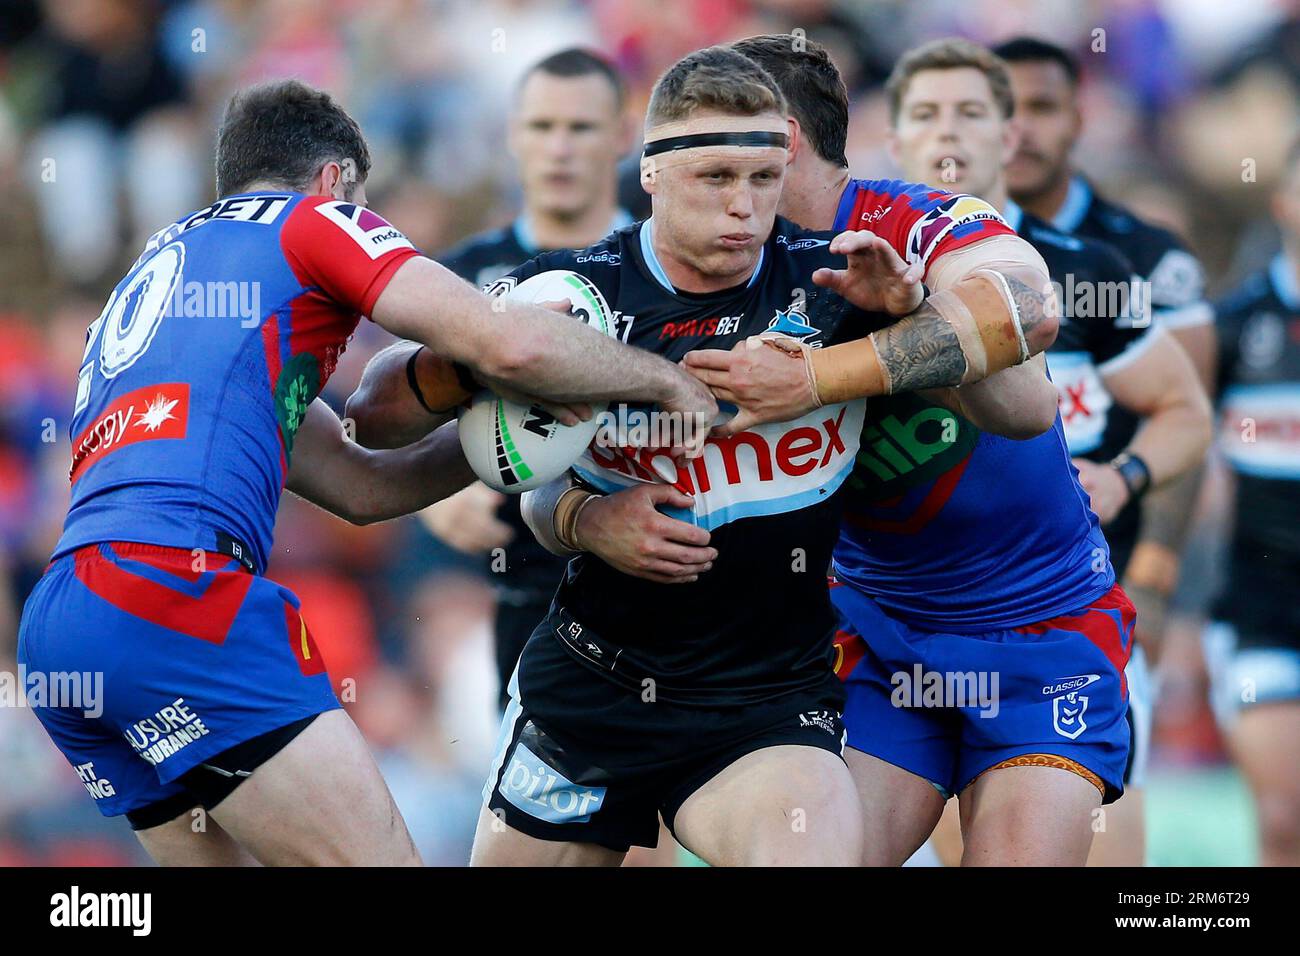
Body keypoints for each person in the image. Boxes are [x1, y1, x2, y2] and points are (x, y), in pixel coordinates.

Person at [16, 79, 713, 867]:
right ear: (335, 180)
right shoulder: (314, 220)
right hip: (174, 591)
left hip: (65, 622)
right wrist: (660, 380)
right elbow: (510, 345)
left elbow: (361, 487)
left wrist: (518, 440)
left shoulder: (167, 280)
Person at [534, 34, 1183, 866]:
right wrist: (584, 515)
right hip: (872, 636)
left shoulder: (903, 223)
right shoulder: (687, 271)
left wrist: (826, 374)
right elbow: (537, 470)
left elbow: (1027, 361)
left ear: (782, 138)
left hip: (1040, 626)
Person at [995, 35, 1217, 865]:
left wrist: (1154, 574)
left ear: (1080, 118)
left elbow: (1184, 418)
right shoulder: (927, 257)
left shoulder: (1144, 258)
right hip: (950, 608)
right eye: (1001, 110)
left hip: (1101, 595)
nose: (1020, 130)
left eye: (1042, 107)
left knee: (1103, 831)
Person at [377, 49, 638, 712]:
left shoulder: (665, 263)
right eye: (541, 126)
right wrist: (434, 499)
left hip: (662, 583)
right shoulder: (458, 279)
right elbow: (394, 420)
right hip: (529, 596)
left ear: (621, 138)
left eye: (580, 128)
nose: (559, 148)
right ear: (513, 137)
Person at [1205, 138, 1300, 866]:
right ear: (1282, 202)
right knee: (1284, 818)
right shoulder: (1236, 324)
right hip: (1261, 611)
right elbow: (1189, 464)